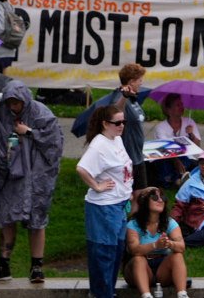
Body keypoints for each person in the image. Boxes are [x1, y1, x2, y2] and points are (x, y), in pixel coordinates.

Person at [0, 80, 63, 283]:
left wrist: (30, 132)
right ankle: (3, 264)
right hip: (11, 176)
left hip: (37, 177)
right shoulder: (1, 115)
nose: (13, 107)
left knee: (37, 220)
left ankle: (37, 266)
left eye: (16, 103)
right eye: (9, 103)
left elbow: (55, 143)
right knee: (7, 217)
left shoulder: (41, 113)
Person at [77, 98, 135, 298]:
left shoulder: (116, 139)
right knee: (104, 253)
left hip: (120, 204)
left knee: (117, 251)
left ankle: (107, 292)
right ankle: (101, 293)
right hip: (104, 207)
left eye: (123, 122)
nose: (122, 126)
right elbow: (82, 168)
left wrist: (124, 98)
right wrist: (97, 185)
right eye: (117, 123)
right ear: (105, 124)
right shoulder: (99, 145)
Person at [123, 188, 188, 298]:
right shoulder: (133, 224)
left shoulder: (170, 222)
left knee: (177, 256)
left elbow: (181, 247)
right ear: (144, 202)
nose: (160, 200)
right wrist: (155, 245)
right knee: (138, 259)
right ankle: (146, 295)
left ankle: (182, 294)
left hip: (162, 269)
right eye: (154, 197)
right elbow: (134, 250)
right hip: (139, 268)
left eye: (162, 197)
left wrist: (170, 244)